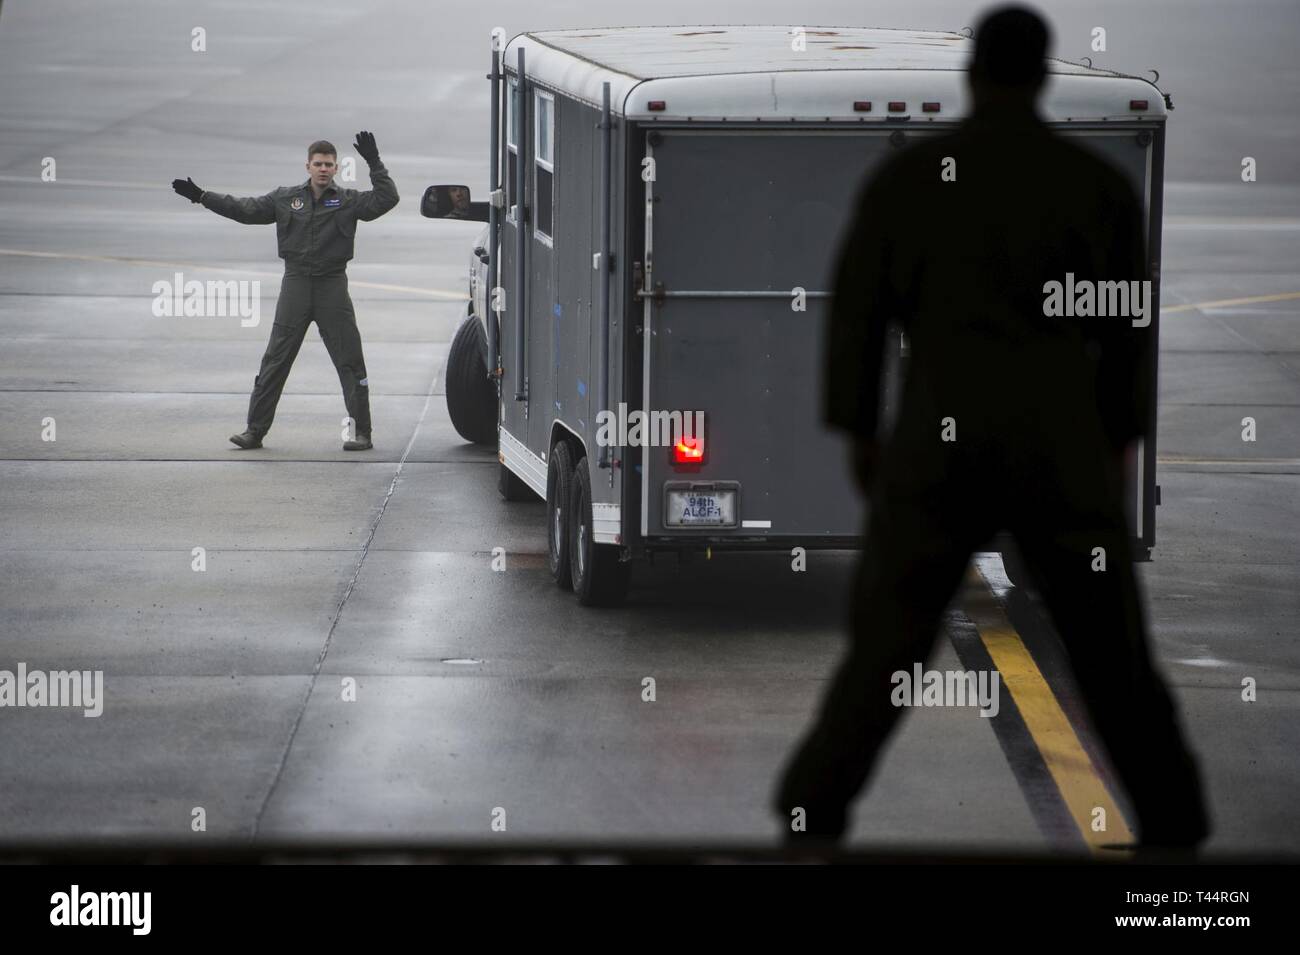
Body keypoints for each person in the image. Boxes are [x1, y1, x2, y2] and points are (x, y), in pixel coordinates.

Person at [773, 5, 1210, 851]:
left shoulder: (911, 183)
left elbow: (856, 322)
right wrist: (1115, 447)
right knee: (1115, 664)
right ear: (1042, 76)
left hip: (938, 453)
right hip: (1061, 450)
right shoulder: (1096, 190)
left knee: (882, 663)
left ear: (973, 73)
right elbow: (1128, 337)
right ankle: (1179, 837)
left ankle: (809, 815)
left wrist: (864, 439)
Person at [171, 132, 398, 450]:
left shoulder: (347, 200)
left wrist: (375, 162)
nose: (322, 169)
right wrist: (202, 196)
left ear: (336, 168)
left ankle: (362, 432)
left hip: (332, 285)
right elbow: (245, 210)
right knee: (275, 359)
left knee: (349, 359)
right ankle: (254, 431)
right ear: (308, 166)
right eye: (317, 163)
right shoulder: (285, 198)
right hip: (296, 285)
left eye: (328, 165)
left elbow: (386, 200)